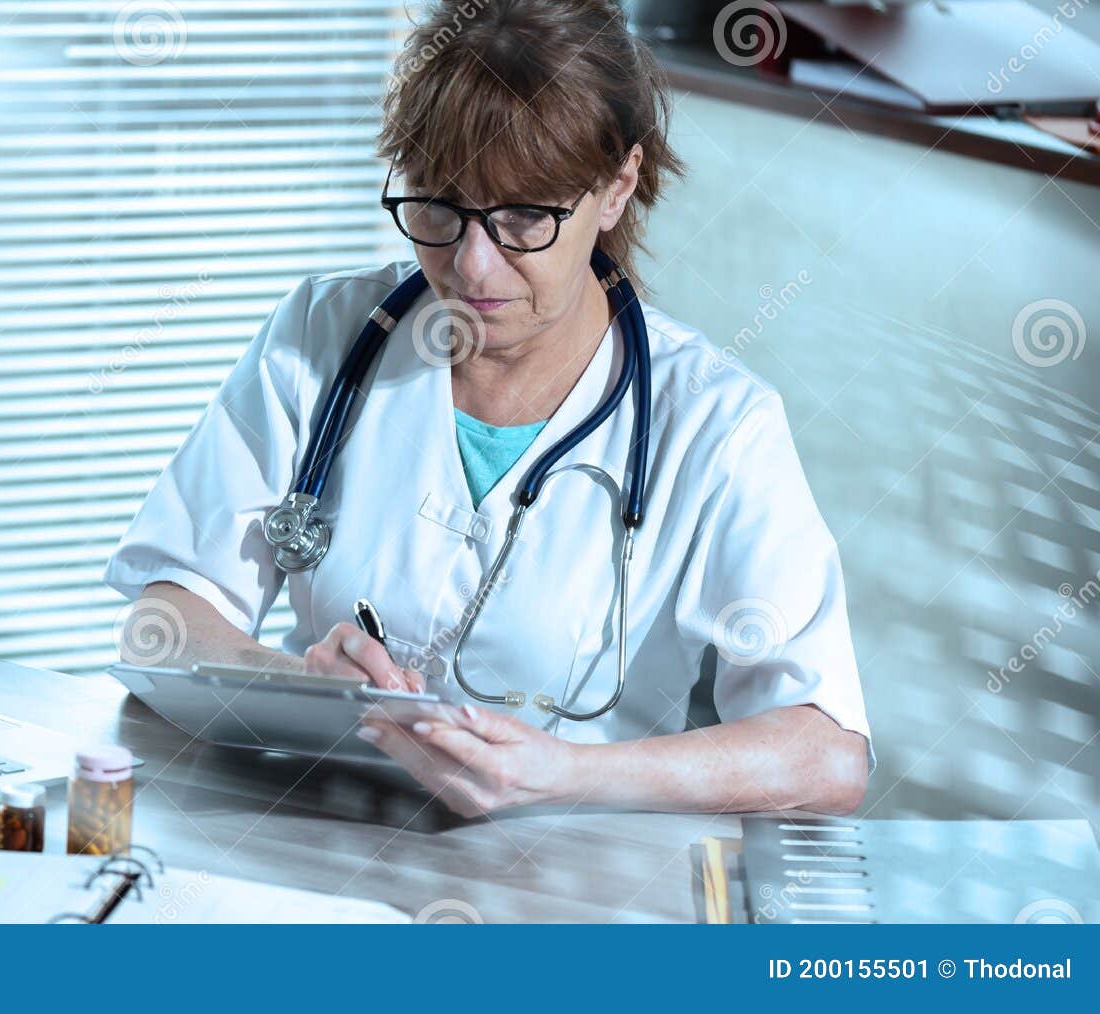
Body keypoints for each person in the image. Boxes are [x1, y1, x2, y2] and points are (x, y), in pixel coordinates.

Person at [105, 0, 870, 818]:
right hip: (310, 838)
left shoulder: (716, 427)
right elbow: (162, 620)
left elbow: (824, 753)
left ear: (617, 187)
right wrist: (299, 685)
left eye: (523, 218)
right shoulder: (323, 338)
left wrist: (565, 772)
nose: (472, 264)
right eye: (439, 206)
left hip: (572, 887)